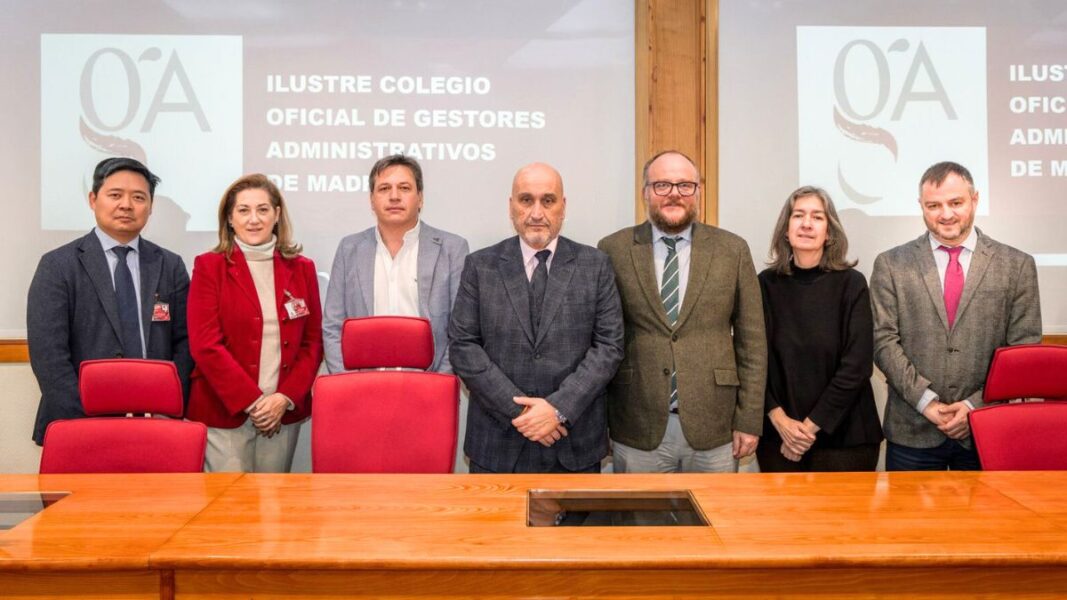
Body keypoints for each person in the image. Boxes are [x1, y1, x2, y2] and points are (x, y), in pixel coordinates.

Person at [449, 162, 624, 473]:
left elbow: (609, 347)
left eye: (548, 200)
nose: (537, 212)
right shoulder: (480, 266)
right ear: (511, 206)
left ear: (563, 206)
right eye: (526, 200)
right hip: (498, 442)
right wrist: (524, 414)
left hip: (574, 440)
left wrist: (557, 410)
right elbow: (464, 347)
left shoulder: (595, 266)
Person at [597, 150, 766, 473]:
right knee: (641, 523)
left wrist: (749, 419)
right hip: (636, 424)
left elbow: (753, 344)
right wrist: (599, 422)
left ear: (698, 192)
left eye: (685, 185)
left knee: (715, 521)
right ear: (645, 191)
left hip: (715, 425)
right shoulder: (613, 249)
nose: (674, 193)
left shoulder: (733, 249)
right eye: (662, 185)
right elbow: (600, 340)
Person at [871, 161, 1042, 470]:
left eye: (956, 203)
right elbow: (883, 342)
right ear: (921, 206)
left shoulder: (1016, 266)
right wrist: (927, 402)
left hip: (988, 429)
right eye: (933, 205)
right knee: (911, 521)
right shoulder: (891, 264)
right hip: (912, 432)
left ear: (974, 199)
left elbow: (1022, 351)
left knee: (988, 520)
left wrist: (973, 407)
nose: (945, 214)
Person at [28, 157, 192, 445]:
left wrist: (168, 406)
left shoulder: (170, 265)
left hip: (156, 423)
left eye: (138, 197)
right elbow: (49, 356)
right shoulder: (58, 265)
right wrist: (87, 418)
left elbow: (185, 343)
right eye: (115, 195)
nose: (126, 205)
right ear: (93, 200)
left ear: (150, 207)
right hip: (78, 425)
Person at [186, 174, 323, 472]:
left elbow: (312, 342)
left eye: (263, 209)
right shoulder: (209, 267)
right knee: (228, 511)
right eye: (243, 210)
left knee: (274, 509)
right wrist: (253, 402)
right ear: (230, 219)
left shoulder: (302, 269)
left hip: (281, 413)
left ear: (276, 215)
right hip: (224, 414)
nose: (254, 219)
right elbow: (205, 344)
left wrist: (282, 399)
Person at [756, 186, 882, 472]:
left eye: (817, 217)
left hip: (846, 440)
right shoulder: (764, 285)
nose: (807, 224)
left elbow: (857, 366)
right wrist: (780, 421)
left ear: (830, 232)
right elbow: (752, 361)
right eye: (798, 215)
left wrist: (808, 429)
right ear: (785, 230)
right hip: (778, 438)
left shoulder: (852, 284)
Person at [323, 154, 468, 374]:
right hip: (362, 389)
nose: (394, 196)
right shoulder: (349, 249)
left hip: (429, 390)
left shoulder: (452, 249)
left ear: (420, 198)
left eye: (404, 188)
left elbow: (460, 331)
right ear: (372, 199)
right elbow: (333, 327)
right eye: (384, 189)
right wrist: (349, 384)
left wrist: (437, 385)